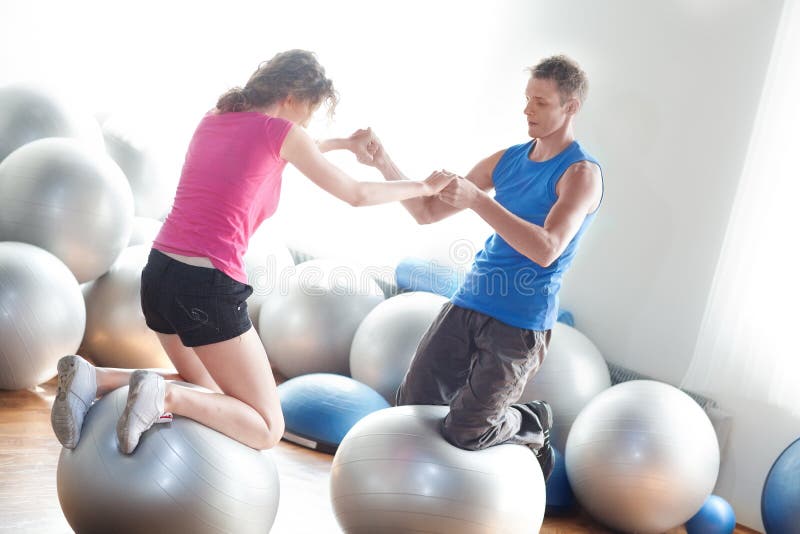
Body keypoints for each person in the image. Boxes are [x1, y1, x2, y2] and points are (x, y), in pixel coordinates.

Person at [50, 49, 454, 454]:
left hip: (158, 273)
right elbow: (356, 193)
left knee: (204, 390)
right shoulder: (283, 134)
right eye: (309, 112)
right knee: (266, 425)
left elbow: (293, 145)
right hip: (205, 284)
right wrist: (423, 187)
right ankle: (165, 396)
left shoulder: (215, 119)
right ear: (292, 97)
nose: (306, 124)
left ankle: (96, 379)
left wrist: (344, 144)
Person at [366, 55, 603, 480]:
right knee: (412, 405)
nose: (527, 110)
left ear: (571, 107)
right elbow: (426, 212)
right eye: (527, 99)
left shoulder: (581, 174)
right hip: (469, 302)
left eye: (541, 102)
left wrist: (478, 200)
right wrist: (383, 161)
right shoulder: (506, 160)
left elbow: (547, 249)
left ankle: (530, 421)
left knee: (468, 430)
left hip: (520, 322)